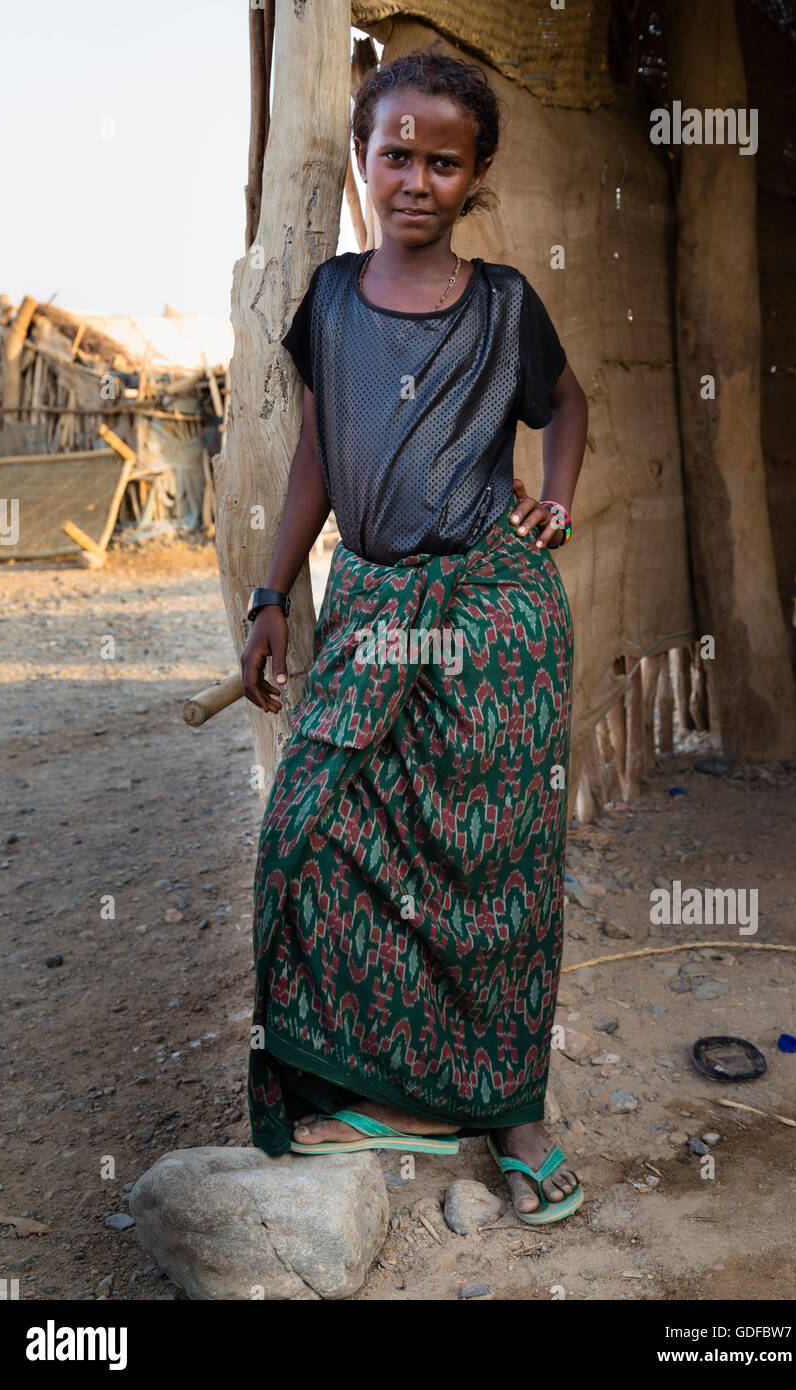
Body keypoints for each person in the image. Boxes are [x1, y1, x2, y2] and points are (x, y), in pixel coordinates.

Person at [241, 44, 588, 1225]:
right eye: (397, 154)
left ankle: (514, 1112)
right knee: (316, 830)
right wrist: (271, 591)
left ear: (473, 176)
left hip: (495, 620)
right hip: (373, 612)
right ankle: (390, 1089)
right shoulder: (332, 302)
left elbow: (569, 402)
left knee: (496, 870)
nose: (416, 179)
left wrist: (557, 491)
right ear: (362, 161)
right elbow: (315, 456)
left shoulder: (502, 306)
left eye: (444, 162)